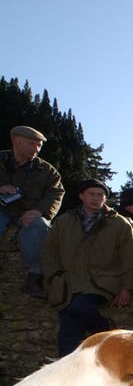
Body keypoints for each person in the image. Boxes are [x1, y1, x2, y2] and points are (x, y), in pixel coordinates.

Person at [41, 179, 133, 356]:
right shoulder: (64, 221)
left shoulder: (119, 224)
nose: (96, 198)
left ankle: (106, 330)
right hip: (68, 283)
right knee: (68, 328)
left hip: (102, 281)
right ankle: (70, 367)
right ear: (81, 196)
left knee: (77, 307)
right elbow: (49, 252)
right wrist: (55, 276)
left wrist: (127, 288)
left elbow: (130, 258)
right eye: (91, 194)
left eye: (100, 195)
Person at [0, 125, 65, 297]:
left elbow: (56, 193)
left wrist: (39, 211)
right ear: (16, 141)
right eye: (32, 144)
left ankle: (35, 277)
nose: (36, 149)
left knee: (39, 226)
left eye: (39, 146)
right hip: (2, 211)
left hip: (29, 213)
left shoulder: (47, 171)